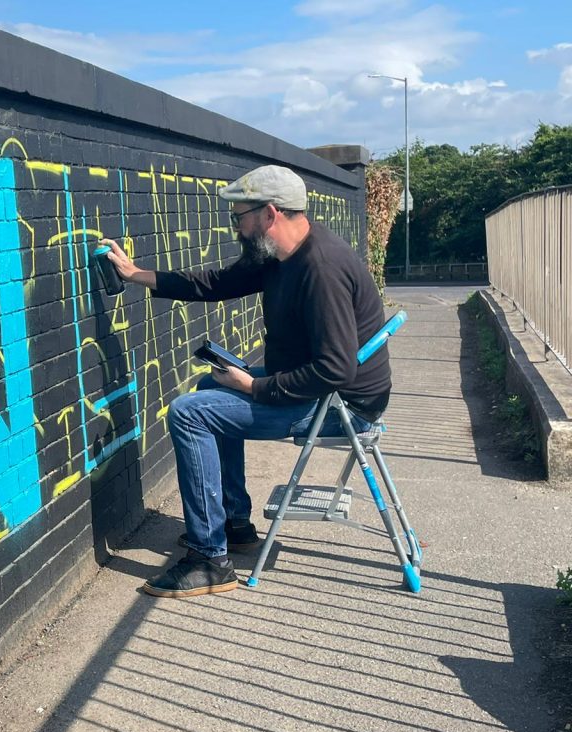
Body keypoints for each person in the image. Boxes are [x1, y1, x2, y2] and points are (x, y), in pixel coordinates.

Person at [98, 164, 391, 598]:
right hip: (314, 388)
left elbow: (335, 369)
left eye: (238, 218)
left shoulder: (321, 269)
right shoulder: (280, 255)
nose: (235, 228)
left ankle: (209, 560)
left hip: (338, 406)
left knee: (188, 413)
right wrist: (137, 275)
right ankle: (234, 525)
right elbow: (218, 282)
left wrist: (252, 387)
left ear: (269, 214)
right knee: (209, 388)